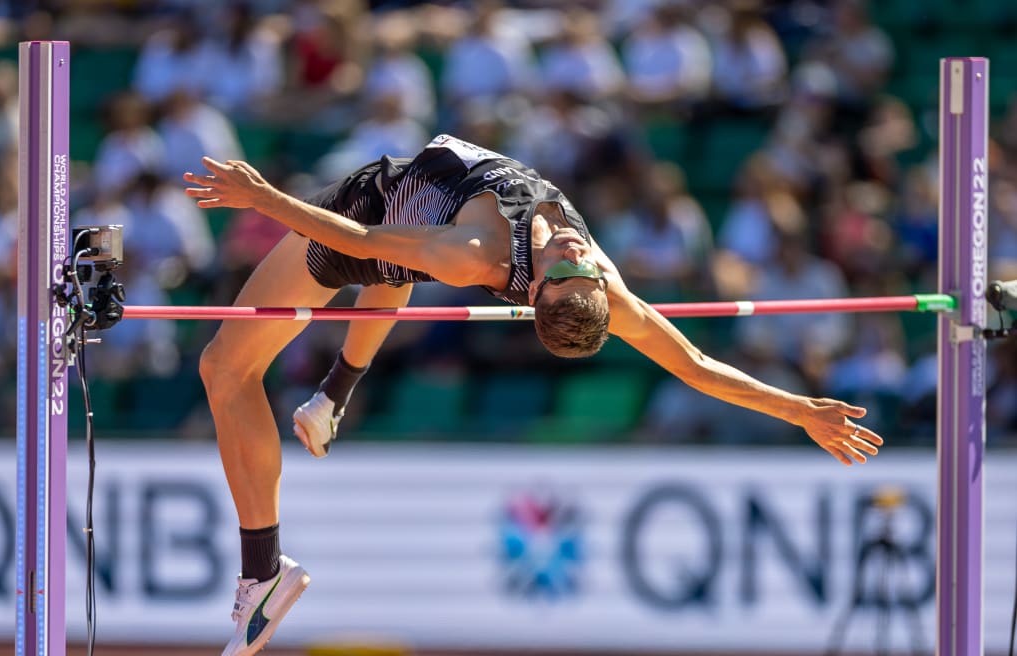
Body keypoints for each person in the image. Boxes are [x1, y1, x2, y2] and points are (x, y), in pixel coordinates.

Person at [182, 134, 884, 656]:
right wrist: (802, 410)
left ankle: (263, 573)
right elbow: (696, 361)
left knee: (225, 367)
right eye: (583, 263)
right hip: (412, 224)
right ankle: (333, 397)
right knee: (401, 264)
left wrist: (266, 199)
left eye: (570, 265)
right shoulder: (600, 281)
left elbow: (364, 237)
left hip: (356, 217)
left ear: (536, 290)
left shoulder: (477, 254)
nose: (580, 250)